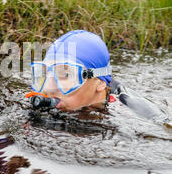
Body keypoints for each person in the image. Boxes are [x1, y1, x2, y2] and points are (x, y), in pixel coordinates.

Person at [29, 30, 168, 123]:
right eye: (46, 73)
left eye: (65, 75)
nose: (48, 87)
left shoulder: (135, 114)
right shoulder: (41, 98)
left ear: (100, 82)